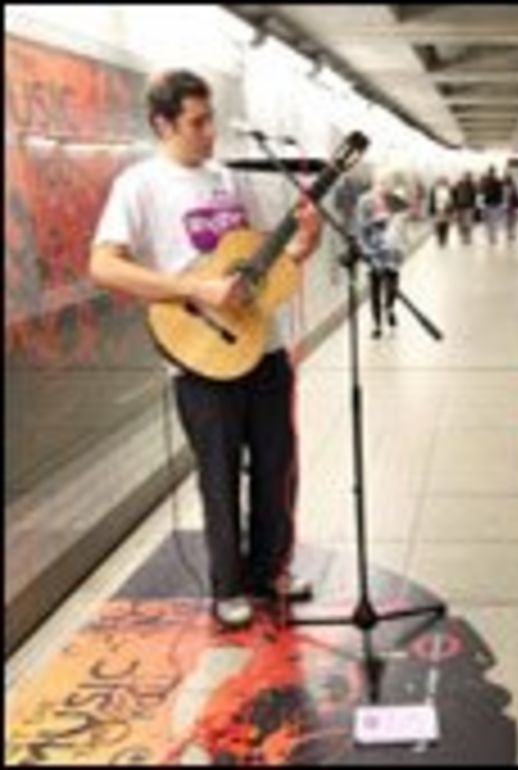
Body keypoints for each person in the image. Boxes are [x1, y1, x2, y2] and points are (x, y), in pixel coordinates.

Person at [89, 69, 322, 630]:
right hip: (199, 356)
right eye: (197, 122)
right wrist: (195, 288)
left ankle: (271, 572)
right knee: (220, 475)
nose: (210, 132)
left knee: (276, 466)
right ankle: (228, 586)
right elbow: (103, 265)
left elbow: (262, 265)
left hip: (261, 348)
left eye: (211, 118)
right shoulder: (139, 185)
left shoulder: (228, 181)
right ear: (162, 123)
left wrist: (305, 243)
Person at [356, 176, 406, 338]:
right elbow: (361, 231)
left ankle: (389, 308)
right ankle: (377, 325)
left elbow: (400, 229)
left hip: (392, 253)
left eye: (386, 184)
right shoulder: (365, 203)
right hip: (374, 254)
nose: (383, 187)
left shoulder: (395, 203)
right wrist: (367, 251)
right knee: (375, 291)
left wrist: (400, 249)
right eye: (380, 184)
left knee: (392, 286)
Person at [479, 165, 504, 246]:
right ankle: (492, 237)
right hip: (493, 203)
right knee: (492, 221)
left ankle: (492, 237)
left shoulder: (489, 181)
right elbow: (500, 193)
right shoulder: (497, 181)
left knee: (490, 221)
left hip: (490, 203)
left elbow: (482, 191)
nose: (491, 173)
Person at [428, 175, 454, 248]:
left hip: (446, 209)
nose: (441, 182)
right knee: (438, 225)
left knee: (445, 225)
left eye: (443, 181)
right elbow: (431, 200)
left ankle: (444, 238)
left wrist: (451, 209)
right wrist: (431, 210)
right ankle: (440, 239)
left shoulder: (449, 189)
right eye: (440, 181)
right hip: (437, 209)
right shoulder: (433, 190)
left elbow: (451, 200)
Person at [452, 171, 477, 246]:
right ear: (463, 177)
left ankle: (468, 237)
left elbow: (475, 196)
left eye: (469, 176)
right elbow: (454, 194)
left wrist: (474, 206)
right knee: (461, 222)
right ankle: (464, 236)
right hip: (460, 206)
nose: (467, 178)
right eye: (466, 176)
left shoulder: (472, 185)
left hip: (469, 206)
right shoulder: (458, 184)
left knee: (468, 222)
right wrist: (455, 205)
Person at [502, 170, 518, 243]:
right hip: (512, 206)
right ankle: (512, 234)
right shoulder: (513, 186)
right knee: (513, 221)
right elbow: (517, 196)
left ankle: (510, 234)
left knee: (509, 221)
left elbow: (504, 197)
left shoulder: (504, 187)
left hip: (508, 206)